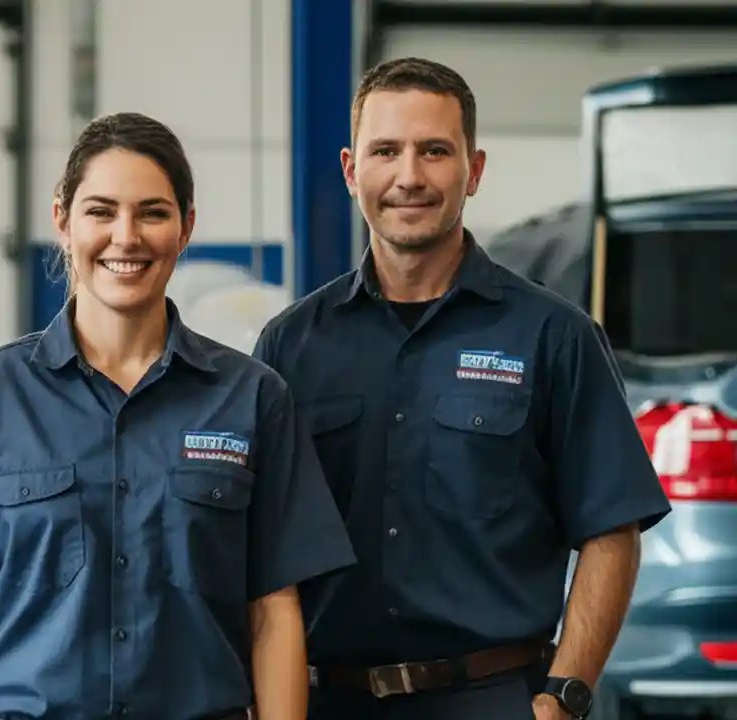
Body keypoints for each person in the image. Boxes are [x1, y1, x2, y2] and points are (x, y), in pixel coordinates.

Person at [0, 112, 356, 720]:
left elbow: (273, 613)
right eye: (101, 212)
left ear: (186, 228)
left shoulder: (253, 399)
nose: (126, 237)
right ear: (63, 221)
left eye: (153, 213)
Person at [253, 57, 672, 720]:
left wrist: (564, 696)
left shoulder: (554, 337)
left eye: (435, 151)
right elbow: (261, 551)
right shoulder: (290, 346)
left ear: (473, 170)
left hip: (495, 698)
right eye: (385, 151)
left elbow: (612, 531)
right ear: (350, 169)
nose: (409, 176)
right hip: (328, 702)